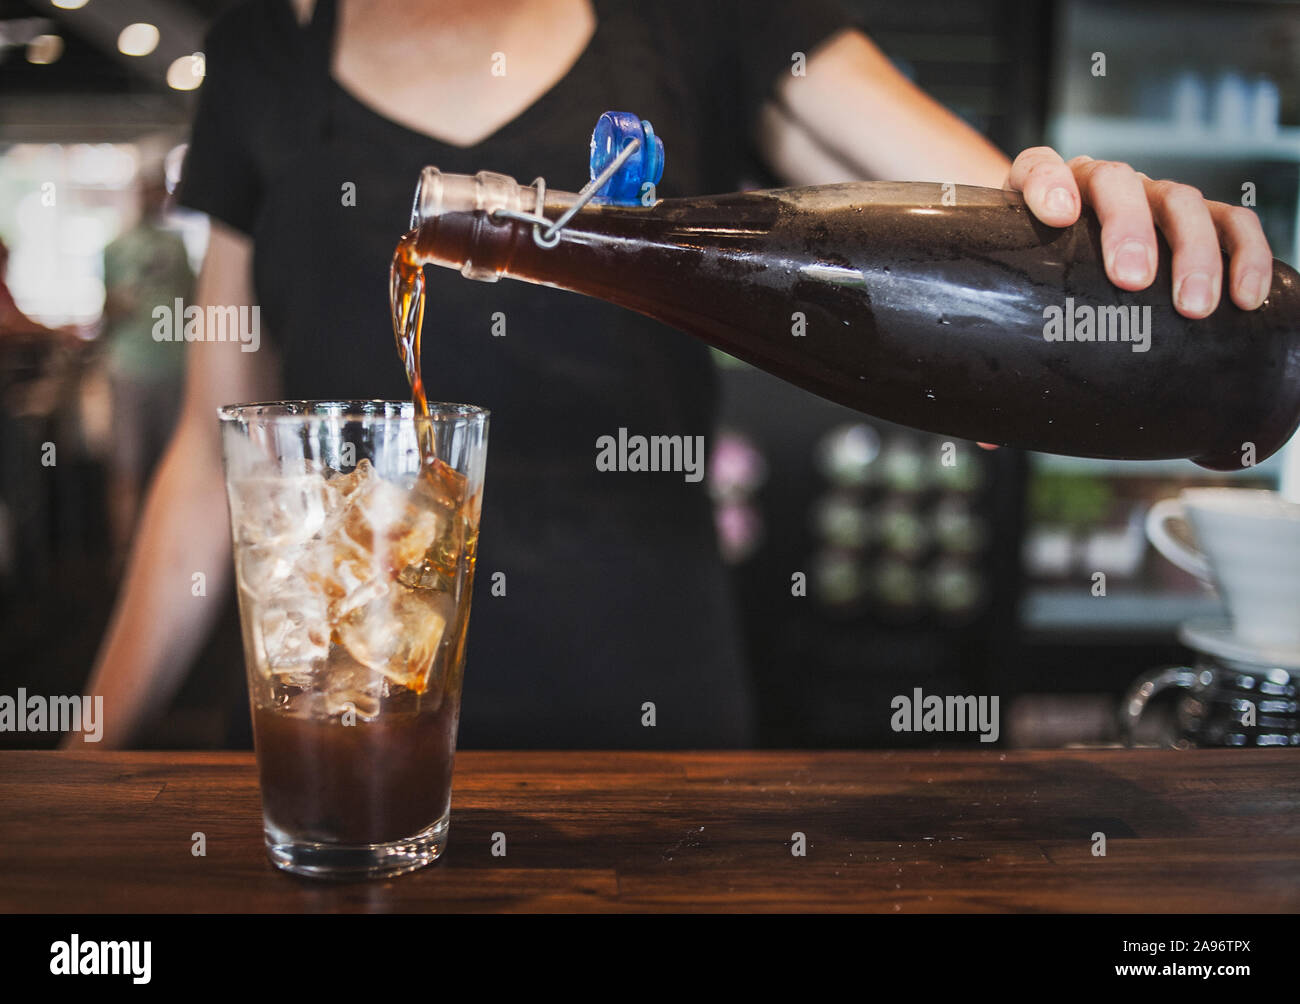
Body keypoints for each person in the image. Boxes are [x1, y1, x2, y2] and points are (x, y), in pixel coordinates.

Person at [74, 0, 1274, 749]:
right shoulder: (261, 55)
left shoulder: (703, 16)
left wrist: (1110, 235)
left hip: (640, 705)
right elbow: (213, 451)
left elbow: (985, 217)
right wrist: (82, 759)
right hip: (340, 723)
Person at [100, 174, 194, 566]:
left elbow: (195, 304)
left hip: (174, 367)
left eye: (159, 189)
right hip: (131, 367)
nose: (154, 196)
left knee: (174, 467)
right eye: (147, 189)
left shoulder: (177, 246)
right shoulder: (116, 247)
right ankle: (124, 560)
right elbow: (108, 309)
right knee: (128, 466)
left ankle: (170, 558)